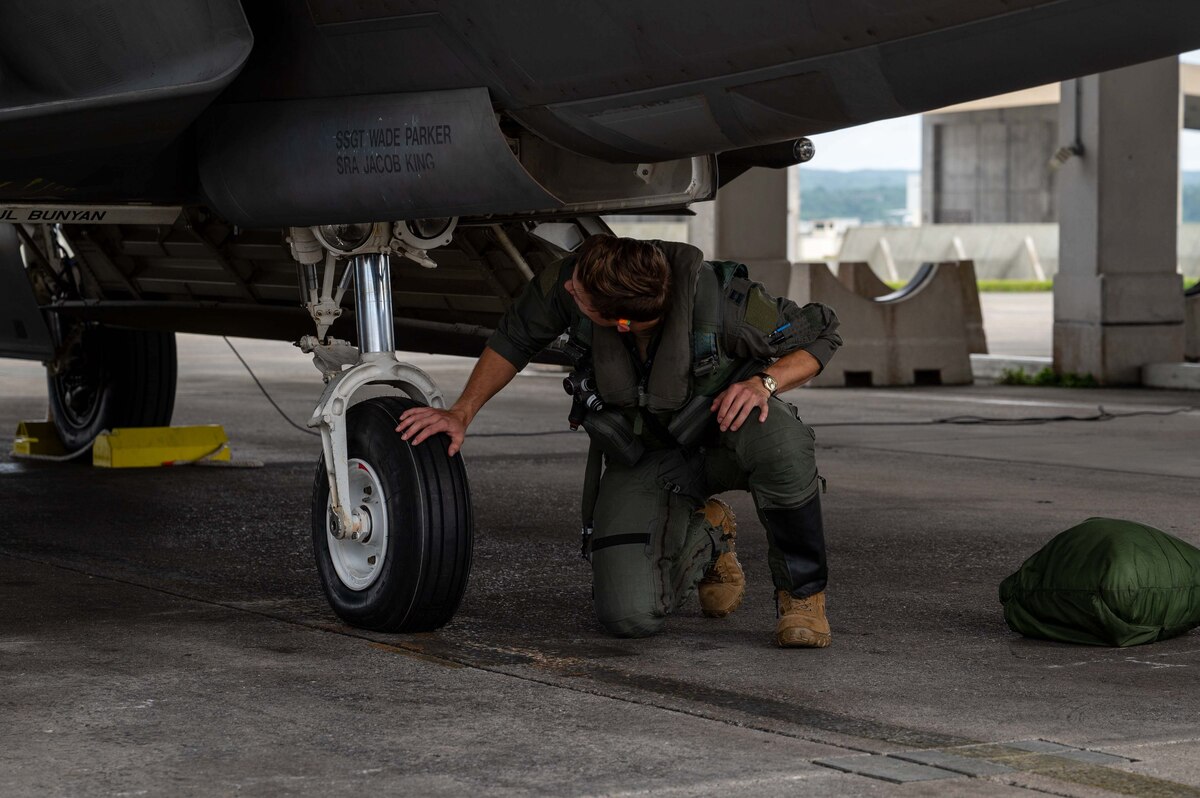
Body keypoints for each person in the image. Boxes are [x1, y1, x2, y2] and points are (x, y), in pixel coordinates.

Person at [395, 235, 842, 647]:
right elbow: (515, 337)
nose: (570, 288)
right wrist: (461, 412)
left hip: (731, 441)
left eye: (580, 296)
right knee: (628, 617)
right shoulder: (580, 275)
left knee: (780, 441)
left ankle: (802, 595)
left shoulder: (727, 305)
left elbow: (823, 331)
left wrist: (764, 382)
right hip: (649, 456)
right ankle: (710, 535)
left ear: (620, 323)